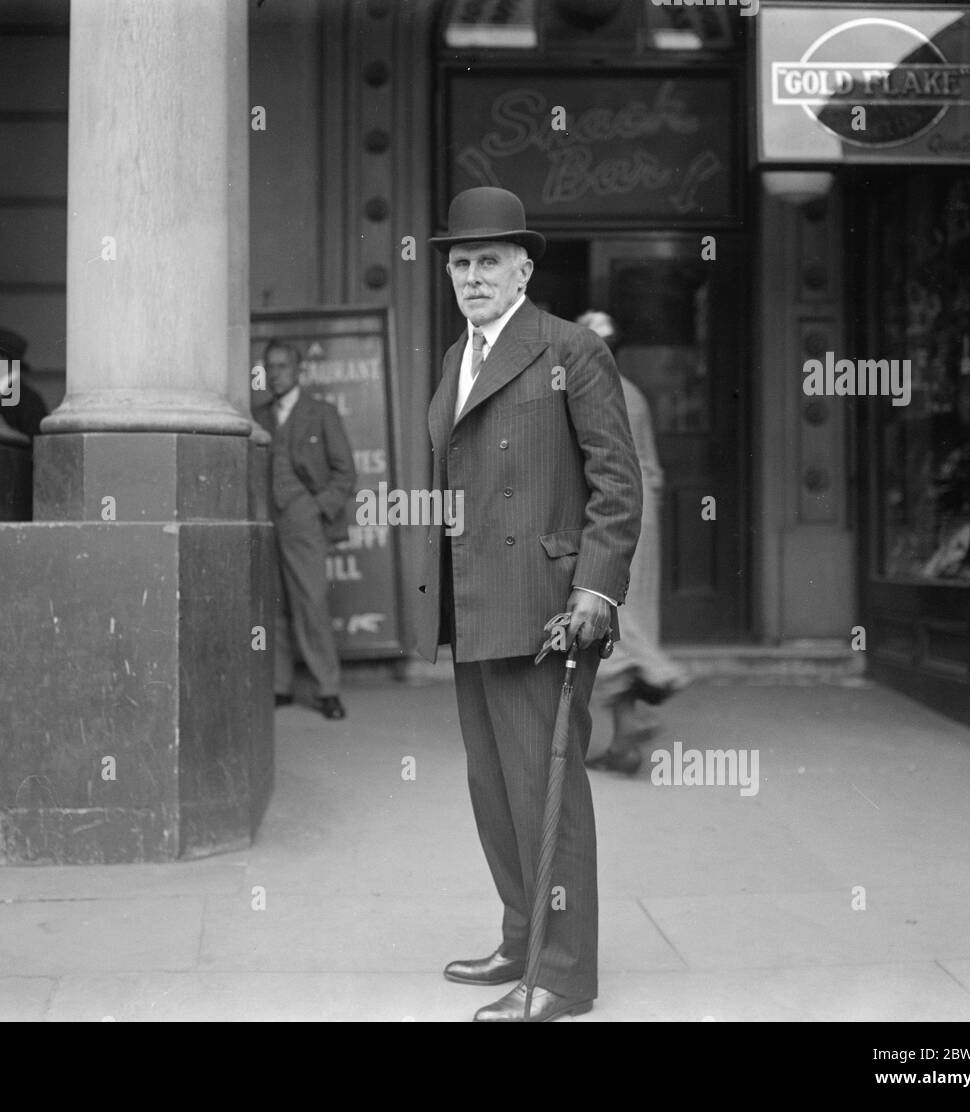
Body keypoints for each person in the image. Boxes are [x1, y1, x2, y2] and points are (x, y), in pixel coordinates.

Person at [414, 187, 642, 1021]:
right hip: (473, 603)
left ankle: (564, 975)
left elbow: (617, 482)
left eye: (489, 262)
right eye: (460, 263)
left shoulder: (571, 349)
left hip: (546, 613)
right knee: (496, 790)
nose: (472, 277)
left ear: (524, 271)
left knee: (548, 796)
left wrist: (595, 590)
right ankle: (523, 940)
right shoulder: (458, 356)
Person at [577, 311, 690, 775]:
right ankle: (626, 738)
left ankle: (656, 674)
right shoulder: (633, 393)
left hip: (610, 515)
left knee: (608, 618)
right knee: (625, 617)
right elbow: (650, 470)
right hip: (642, 515)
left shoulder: (587, 392)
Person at [251, 341, 356, 720]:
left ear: (299, 370)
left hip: (303, 522)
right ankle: (281, 685)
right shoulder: (257, 416)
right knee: (273, 604)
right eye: (270, 366)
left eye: (282, 366)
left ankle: (327, 689)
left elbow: (345, 473)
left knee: (311, 605)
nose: (275, 373)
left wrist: (316, 508)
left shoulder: (321, 413)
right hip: (266, 522)